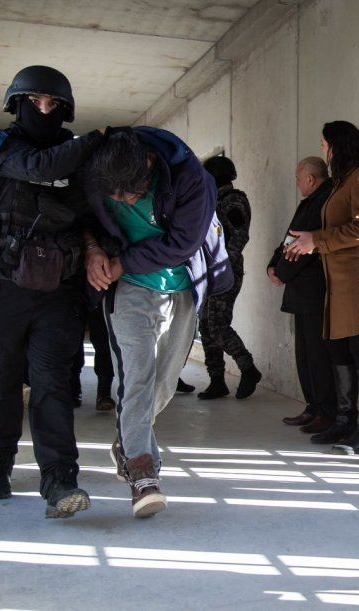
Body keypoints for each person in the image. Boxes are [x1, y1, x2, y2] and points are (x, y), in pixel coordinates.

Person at [0, 65, 102, 518]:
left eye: (53, 104)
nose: (44, 109)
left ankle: (60, 479)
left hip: (58, 293)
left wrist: (90, 250)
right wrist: (92, 141)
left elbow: (89, 215)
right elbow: (35, 166)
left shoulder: (76, 157)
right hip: (5, 289)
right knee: (3, 382)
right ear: (17, 104)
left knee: (53, 386)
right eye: (35, 102)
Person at [84, 127, 231, 518]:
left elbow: (182, 243)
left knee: (163, 386)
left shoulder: (192, 180)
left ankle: (128, 442)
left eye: (131, 195)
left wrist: (120, 262)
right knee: (137, 379)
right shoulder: (99, 166)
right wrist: (93, 248)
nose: (125, 202)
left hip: (180, 287)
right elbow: (82, 214)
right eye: (116, 197)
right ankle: (143, 474)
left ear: (149, 165)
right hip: (129, 289)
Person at [284, 121, 359, 454]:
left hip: (358, 282)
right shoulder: (345, 180)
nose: (323, 150)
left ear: (339, 144)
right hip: (337, 284)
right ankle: (345, 421)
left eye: (325, 144)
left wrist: (318, 240)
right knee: (339, 351)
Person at [267, 157, 336, 431]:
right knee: (305, 354)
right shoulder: (311, 201)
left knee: (318, 355)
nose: (296, 183)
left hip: (313, 289)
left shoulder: (323, 201)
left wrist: (281, 272)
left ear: (310, 178)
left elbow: (301, 246)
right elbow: (289, 238)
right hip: (301, 289)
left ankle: (325, 410)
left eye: (298, 178)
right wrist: (272, 264)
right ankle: (314, 406)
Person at [192, 155, 262, 400]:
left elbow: (239, 236)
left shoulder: (233, 200)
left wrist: (222, 265)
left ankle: (248, 368)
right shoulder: (215, 199)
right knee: (207, 326)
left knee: (217, 325)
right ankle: (217, 380)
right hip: (212, 271)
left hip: (225, 271)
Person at [69, 308, 116, 410]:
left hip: (100, 295)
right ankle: (73, 387)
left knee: (103, 337)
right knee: (72, 335)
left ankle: (104, 392)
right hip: (73, 294)